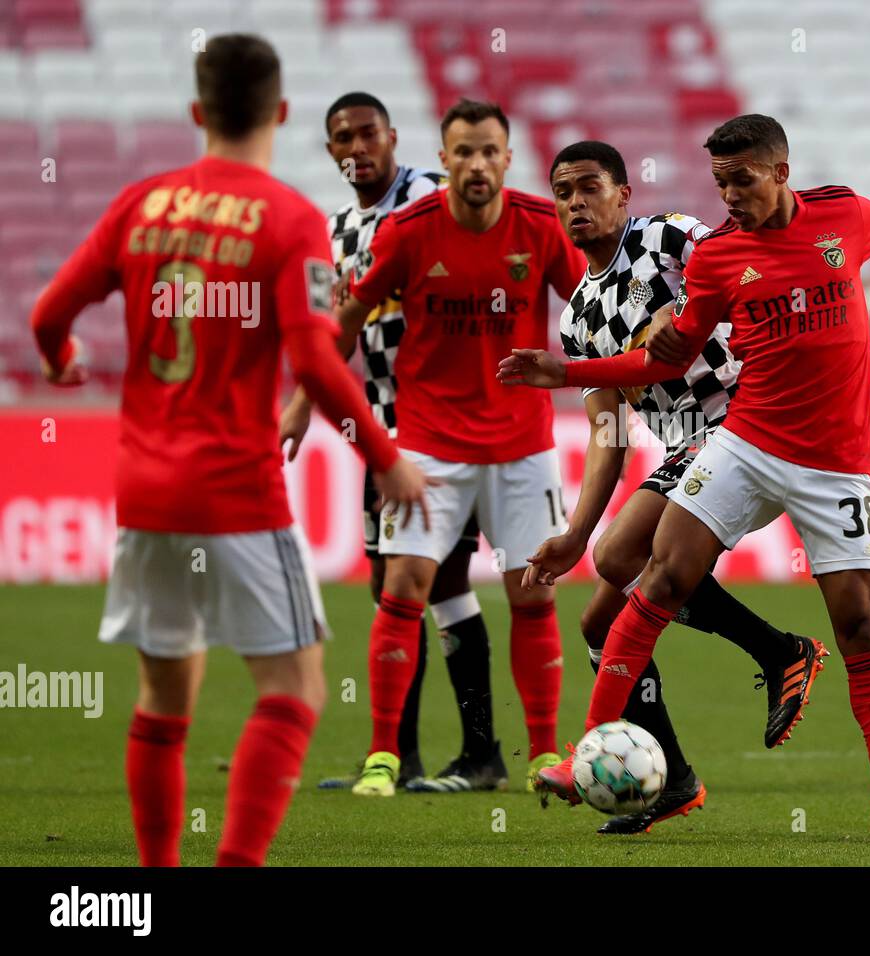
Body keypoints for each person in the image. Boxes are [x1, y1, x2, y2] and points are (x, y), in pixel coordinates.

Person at [28, 34, 428, 865]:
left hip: (144, 493)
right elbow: (316, 359)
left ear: (196, 113)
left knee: (163, 702)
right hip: (238, 494)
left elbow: (47, 315)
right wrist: (382, 455)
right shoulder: (287, 219)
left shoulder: (141, 204)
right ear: (281, 114)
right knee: (295, 690)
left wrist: (61, 363)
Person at [501, 115, 870, 845]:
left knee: (859, 621)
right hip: (743, 442)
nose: (729, 195)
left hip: (830, 456)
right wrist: (567, 376)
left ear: (781, 172)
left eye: (742, 179)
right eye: (721, 182)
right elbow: (638, 394)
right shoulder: (596, 308)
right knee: (641, 581)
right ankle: (614, 759)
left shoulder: (773, 225)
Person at [337, 99, 587, 797]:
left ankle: (542, 754)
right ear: (443, 159)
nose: (477, 165)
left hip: (522, 447)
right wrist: (307, 396)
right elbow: (349, 316)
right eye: (463, 153)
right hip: (429, 448)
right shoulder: (408, 229)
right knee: (403, 591)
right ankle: (384, 757)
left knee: (531, 594)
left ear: (508, 158)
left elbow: (590, 305)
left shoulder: (539, 225)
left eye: (489, 152)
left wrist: (625, 373)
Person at [281, 91, 502, 793]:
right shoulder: (334, 231)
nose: (357, 147)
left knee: (433, 581)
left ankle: (471, 754)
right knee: (397, 585)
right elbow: (325, 335)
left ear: (393, 136)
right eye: (342, 137)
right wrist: (298, 405)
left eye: (368, 133)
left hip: (447, 423)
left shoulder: (440, 201)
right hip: (379, 429)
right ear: (330, 151)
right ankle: (412, 755)